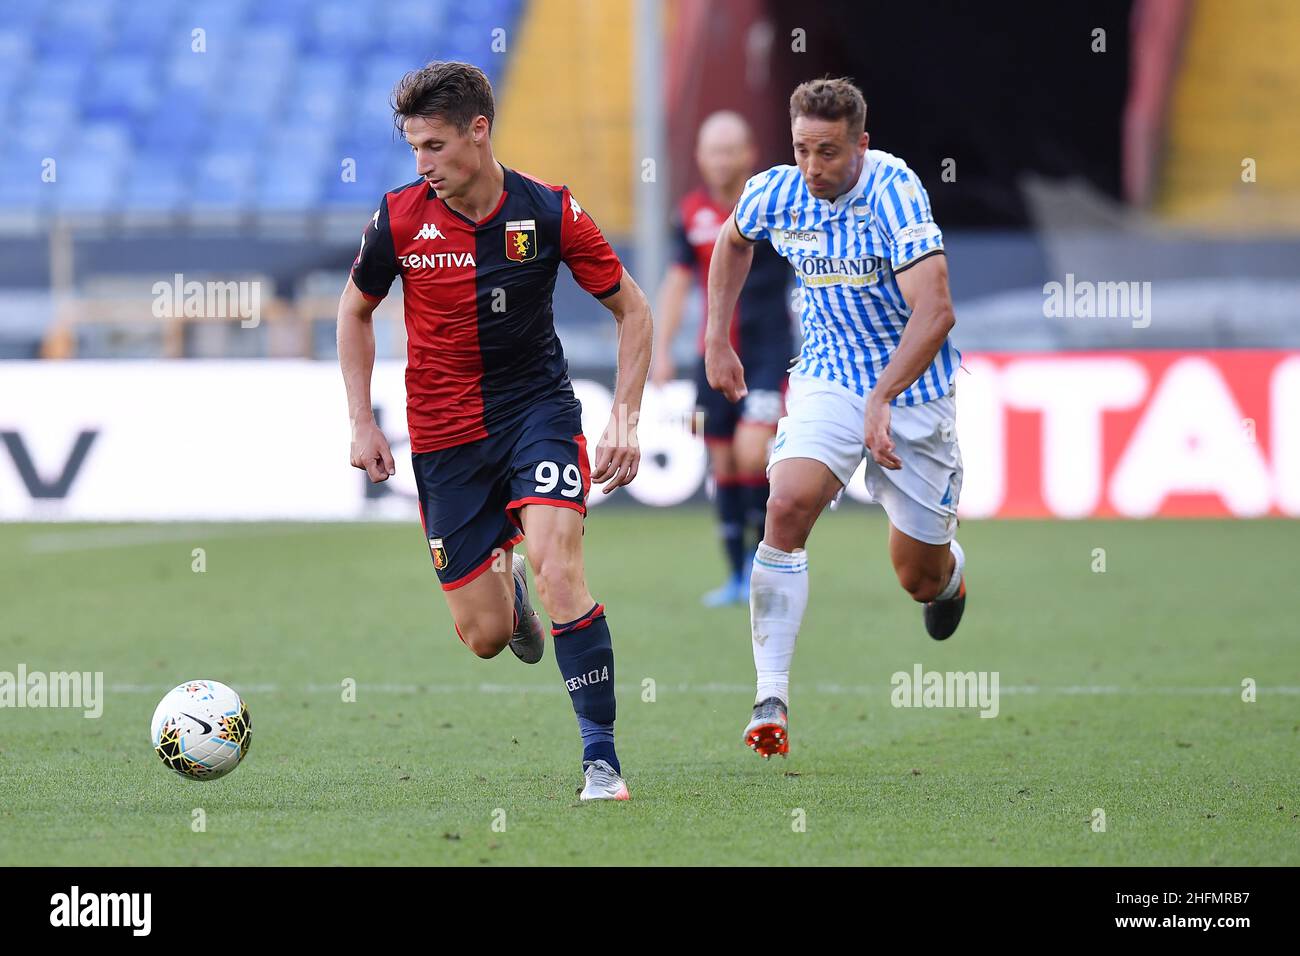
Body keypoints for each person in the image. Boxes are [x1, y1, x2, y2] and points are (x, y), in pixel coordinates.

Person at [337, 62, 652, 797]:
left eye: (436, 146)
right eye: (415, 148)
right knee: (483, 637)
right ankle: (505, 601)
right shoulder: (399, 218)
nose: (424, 164)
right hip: (444, 436)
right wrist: (362, 419)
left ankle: (600, 761)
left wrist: (626, 418)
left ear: (480, 132)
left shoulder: (550, 211)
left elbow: (632, 310)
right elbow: (352, 310)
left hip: (535, 413)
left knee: (559, 568)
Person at [705, 77, 966, 758]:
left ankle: (951, 576)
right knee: (786, 504)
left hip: (912, 392)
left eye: (828, 152)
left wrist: (882, 397)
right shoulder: (775, 191)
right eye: (802, 150)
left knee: (918, 577)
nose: (813, 168)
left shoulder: (894, 190)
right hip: (826, 377)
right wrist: (714, 336)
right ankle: (771, 697)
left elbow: (935, 311)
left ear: (861, 145)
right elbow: (731, 242)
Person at [652, 111, 794, 606]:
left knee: (755, 453)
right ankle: (736, 577)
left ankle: (766, 570)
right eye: (713, 151)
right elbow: (677, 281)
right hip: (712, 356)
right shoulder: (689, 213)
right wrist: (662, 349)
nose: (721, 160)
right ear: (700, 157)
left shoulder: (773, 208)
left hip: (768, 353)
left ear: (749, 154)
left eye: (731, 150)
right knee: (724, 460)